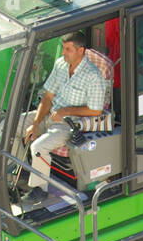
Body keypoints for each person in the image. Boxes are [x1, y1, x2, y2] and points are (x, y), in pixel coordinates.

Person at [19, 30, 105, 204]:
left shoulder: (93, 76)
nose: (63, 52)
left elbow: (96, 111)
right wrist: (35, 124)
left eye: (68, 49)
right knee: (10, 125)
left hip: (67, 124)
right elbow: (48, 97)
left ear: (80, 51)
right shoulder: (60, 64)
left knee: (38, 147)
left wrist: (66, 111)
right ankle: (20, 170)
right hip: (49, 115)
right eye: (63, 48)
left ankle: (39, 189)